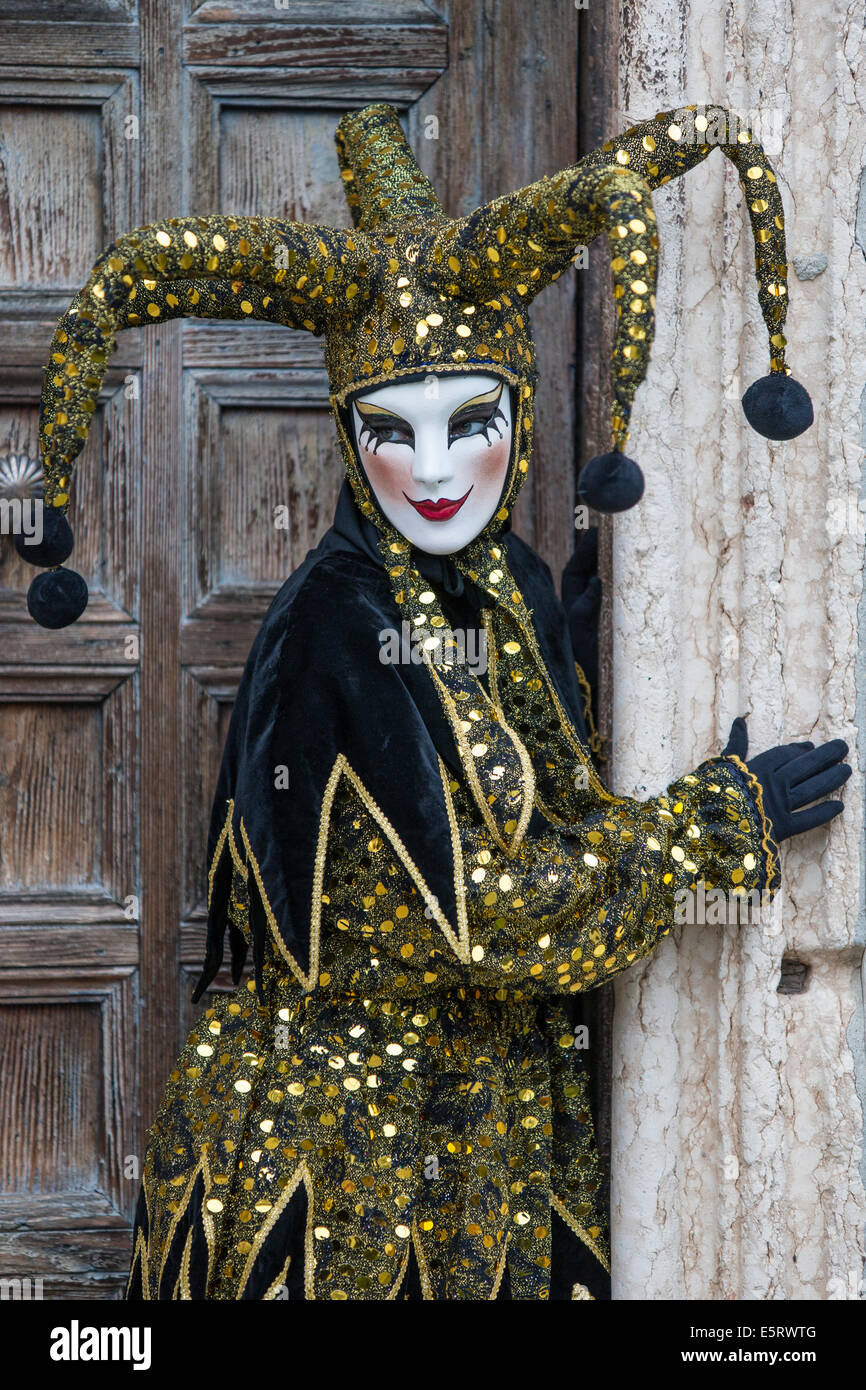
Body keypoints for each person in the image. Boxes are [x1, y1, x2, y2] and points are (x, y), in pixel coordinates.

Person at [22, 102, 849, 1300]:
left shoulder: (492, 580)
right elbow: (485, 913)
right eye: (392, 433)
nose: (437, 469)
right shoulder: (339, 616)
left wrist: (562, 673)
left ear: (516, 416)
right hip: (355, 1160)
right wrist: (706, 825)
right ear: (350, 441)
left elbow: (514, 796)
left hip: (479, 1132)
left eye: (472, 422)